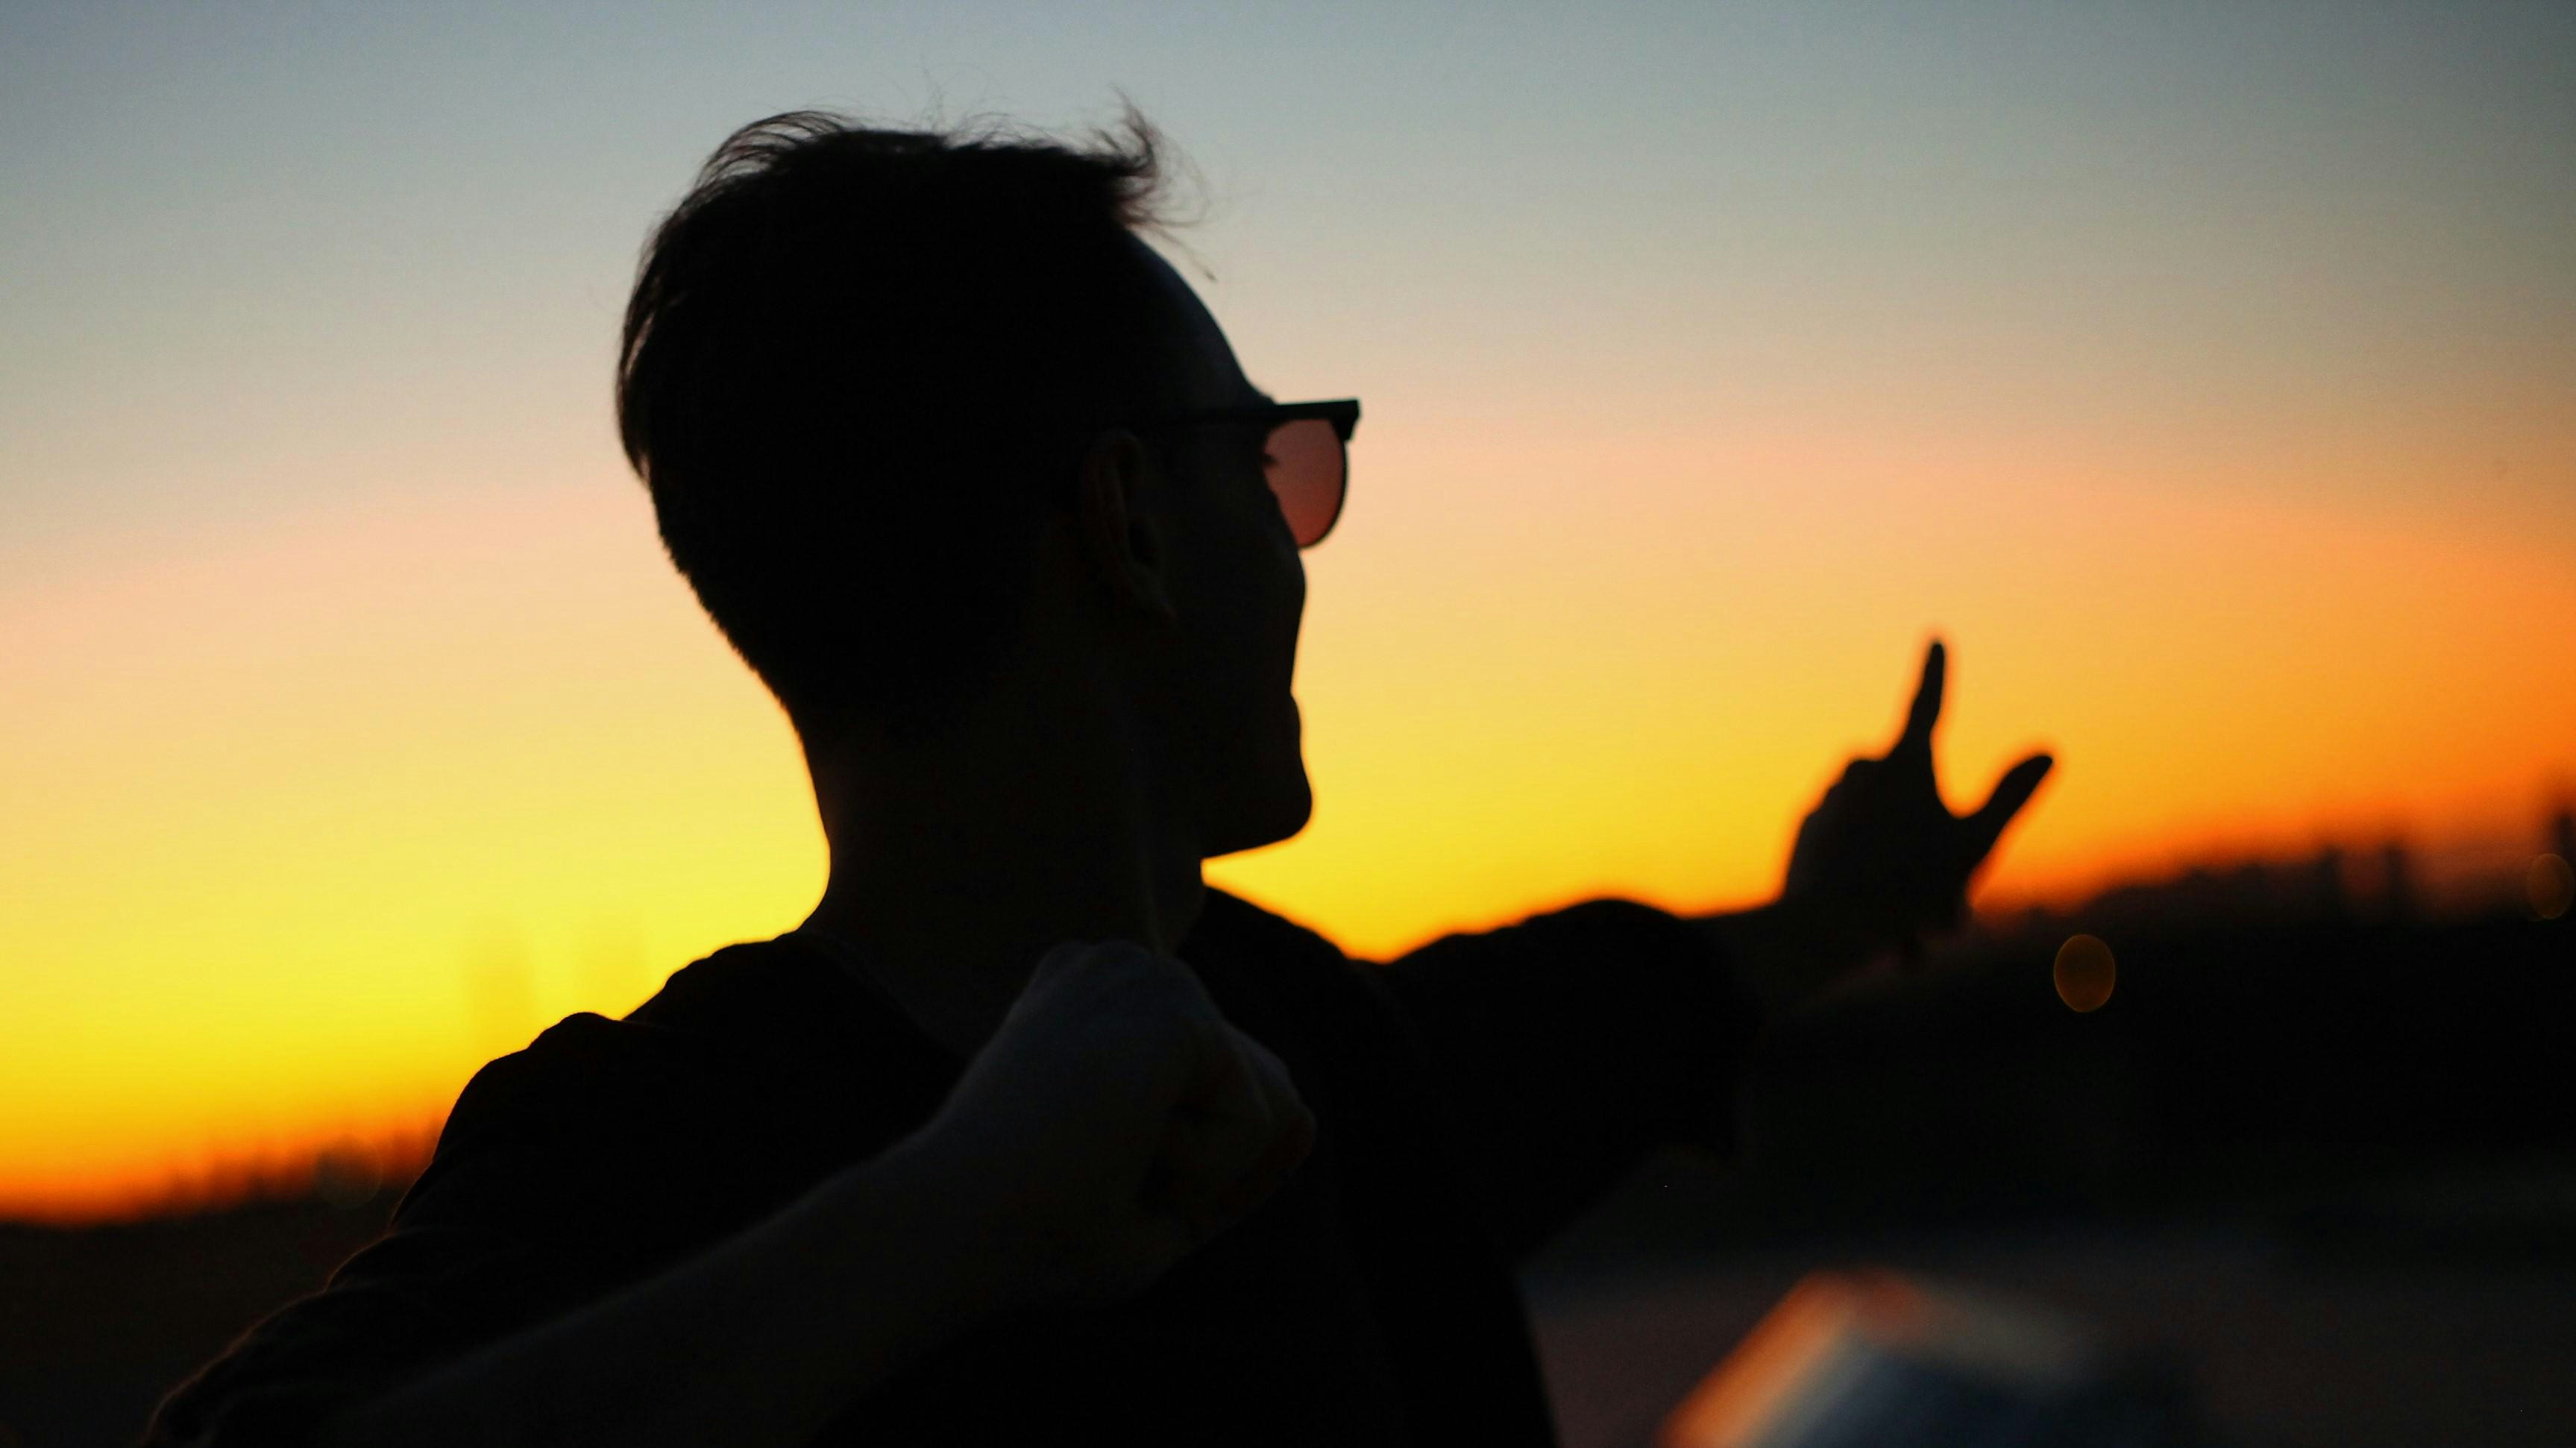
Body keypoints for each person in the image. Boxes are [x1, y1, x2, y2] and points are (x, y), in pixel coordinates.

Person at [148, 109, 2050, 1447]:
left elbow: (1582, 1024)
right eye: (1274, 466)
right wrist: (963, 1205)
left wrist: (1822, 921)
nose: (1302, 539)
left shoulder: (1307, 1038)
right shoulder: (651, 1148)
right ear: (1132, 520)